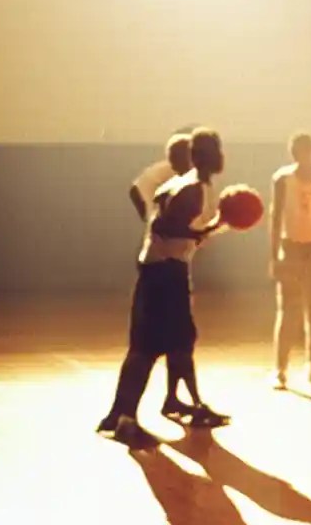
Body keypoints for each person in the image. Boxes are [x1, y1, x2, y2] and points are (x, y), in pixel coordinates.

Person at [99, 129, 231, 443]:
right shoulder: (192, 188)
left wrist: (207, 229)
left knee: (179, 341)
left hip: (160, 270)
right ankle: (125, 419)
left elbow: (168, 223)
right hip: (164, 273)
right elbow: (163, 226)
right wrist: (202, 231)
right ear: (205, 156)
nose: (221, 155)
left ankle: (137, 410)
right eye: (215, 149)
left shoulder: (182, 183)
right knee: (147, 348)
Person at [268, 132, 311, 389]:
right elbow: (275, 218)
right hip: (291, 250)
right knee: (289, 310)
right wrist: (274, 256)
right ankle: (280, 369)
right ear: (294, 154)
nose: (306, 156)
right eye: (300, 152)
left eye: (309, 151)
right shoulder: (283, 179)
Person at [130, 130, 194, 222]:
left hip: (144, 186)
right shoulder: (181, 167)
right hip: (144, 188)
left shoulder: (178, 165)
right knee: (154, 219)